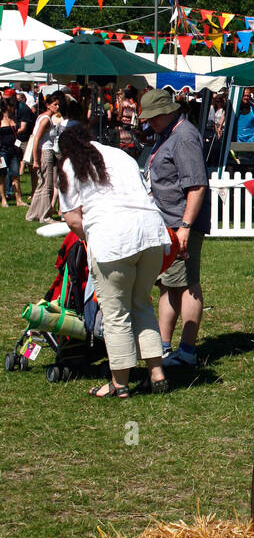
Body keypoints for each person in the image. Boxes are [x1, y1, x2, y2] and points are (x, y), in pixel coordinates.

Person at [56, 123, 170, 398]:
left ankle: (119, 383)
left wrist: (91, 237)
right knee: (141, 304)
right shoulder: (121, 155)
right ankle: (157, 375)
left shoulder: (69, 167)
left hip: (114, 240)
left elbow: (72, 218)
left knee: (116, 313)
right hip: (151, 234)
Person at [139, 88, 210, 368]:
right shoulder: (168, 134)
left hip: (180, 223)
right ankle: (165, 346)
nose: (149, 123)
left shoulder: (183, 137)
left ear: (169, 112)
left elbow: (196, 185)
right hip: (166, 222)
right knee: (168, 284)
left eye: (153, 117)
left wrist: (184, 227)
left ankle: (188, 351)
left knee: (187, 285)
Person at [25, 89, 64, 222]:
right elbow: (36, 139)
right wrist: (36, 159)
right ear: (48, 105)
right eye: (55, 104)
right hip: (45, 152)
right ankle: (45, 216)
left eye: (58, 104)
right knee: (47, 185)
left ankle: (33, 214)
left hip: (46, 152)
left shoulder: (42, 117)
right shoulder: (46, 119)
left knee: (43, 184)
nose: (57, 107)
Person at [0, 96, 25, 206]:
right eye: (12, 105)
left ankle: (19, 200)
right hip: (2, 151)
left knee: (15, 174)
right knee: (2, 175)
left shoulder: (13, 117)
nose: (14, 107)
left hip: (13, 150)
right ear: (7, 106)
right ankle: (4, 199)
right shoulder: (0, 118)